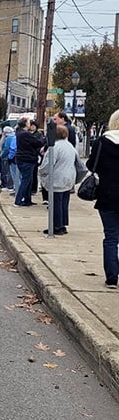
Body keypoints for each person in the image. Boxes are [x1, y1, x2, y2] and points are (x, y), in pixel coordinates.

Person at [87, 109, 119, 288]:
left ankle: (112, 276)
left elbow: (92, 165)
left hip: (107, 195)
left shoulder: (102, 142)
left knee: (111, 237)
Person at [38, 125, 76, 235]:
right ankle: (63, 224)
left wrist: (40, 171)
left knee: (55, 203)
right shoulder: (70, 146)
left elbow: (47, 164)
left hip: (57, 178)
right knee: (64, 203)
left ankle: (56, 226)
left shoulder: (54, 147)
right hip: (68, 178)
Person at [14, 117, 41, 206]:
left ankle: (27, 200)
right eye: (29, 122)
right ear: (25, 124)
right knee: (26, 180)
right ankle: (18, 200)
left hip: (22, 158)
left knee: (28, 180)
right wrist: (46, 140)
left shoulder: (19, 132)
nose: (30, 123)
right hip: (27, 159)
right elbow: (37, 143)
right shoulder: (26, 134)